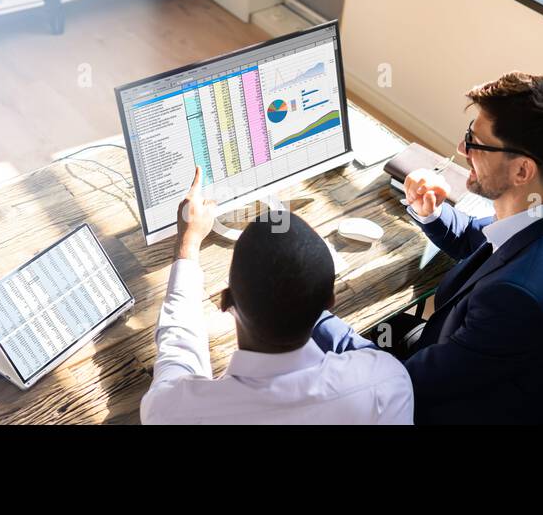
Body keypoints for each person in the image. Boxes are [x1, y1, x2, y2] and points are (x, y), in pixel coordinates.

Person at [313, 71, 543, 424]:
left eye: (476, 142)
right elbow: (484, 243)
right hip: (483, 369)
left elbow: (401, 384)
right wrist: (432, 213)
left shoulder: (519, 300)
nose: (462, 149)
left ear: (522, 171)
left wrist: (304, 312)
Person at [140, 167, 414, 424]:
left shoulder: (174, 411)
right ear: (330, 303)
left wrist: (188, 244)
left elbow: (176, 357)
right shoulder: (386, 381)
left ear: (225, 303)